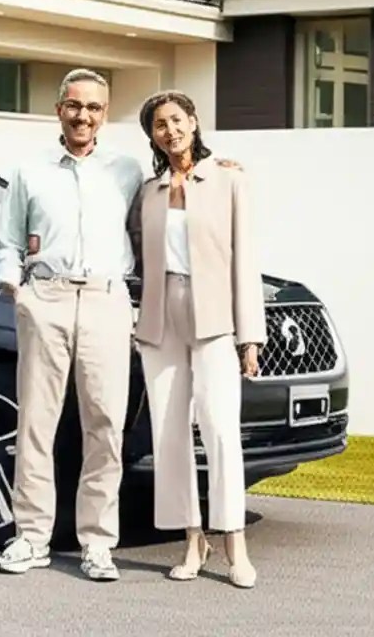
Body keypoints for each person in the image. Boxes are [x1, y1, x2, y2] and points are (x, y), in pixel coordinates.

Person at [0, 69, 144, 581]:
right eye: (75, 106)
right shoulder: (30, 171)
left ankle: (98, 543)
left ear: (105, 114)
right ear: (59, 109)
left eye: (94, 108)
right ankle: (30, 538)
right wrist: (17, 288)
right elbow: (9, 239)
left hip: (105, 300)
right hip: (46, 298)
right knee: (36, 422)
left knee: (105, 424)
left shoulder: (127, 171)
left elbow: (150, 230)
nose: (84, 116)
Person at [127, 90, 265, 589]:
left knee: (220, 429)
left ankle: (234, 544)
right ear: (153, 136)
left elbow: (244, 260)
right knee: (169, 434)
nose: (170, 130)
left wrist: (250, 337)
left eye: (176, 120)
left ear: (194, 122)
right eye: (159, 124)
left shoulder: (229, 180)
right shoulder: (147, 192)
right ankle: (192, 540)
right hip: (161, 322)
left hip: (215, 321)